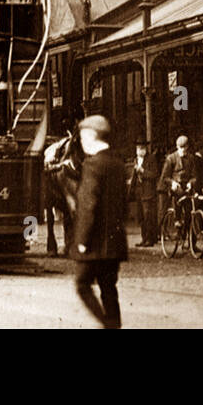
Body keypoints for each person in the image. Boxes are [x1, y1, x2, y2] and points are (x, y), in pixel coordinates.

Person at [70, 114, 127, 329]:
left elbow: (87, 206)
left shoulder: (92, 166)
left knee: (82, 284)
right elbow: (122, 204)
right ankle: (114, 325)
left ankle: (107, 325)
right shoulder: (118, 164)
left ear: (93, 136)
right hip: (114, 241)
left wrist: (82, 240)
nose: (82, 143)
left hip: (94, 242)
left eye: (84, 138)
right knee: (108, 288)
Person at [126, 141, 160, 247]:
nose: (139, 150)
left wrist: (143, 171)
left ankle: (150, 239)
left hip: (148, 192)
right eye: (138, 148)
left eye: (141, 148)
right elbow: (135, 176)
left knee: (148, 216)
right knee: (141, 216)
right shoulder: (136, 160)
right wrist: (131, 190)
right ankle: (144, 238)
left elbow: (154, 175)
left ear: (145, 149)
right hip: (139, 192)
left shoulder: (151, 159)